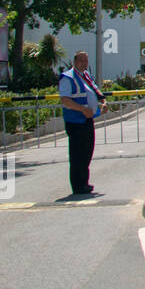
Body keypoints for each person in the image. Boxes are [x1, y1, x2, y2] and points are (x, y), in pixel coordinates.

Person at [57, 51, 101, 195]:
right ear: (74, 61)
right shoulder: (68, 77)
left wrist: (103, 102)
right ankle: (78, 185)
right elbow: (65, 100)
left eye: (86, 60)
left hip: (87, 119)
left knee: (87, 152)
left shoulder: (86, 76)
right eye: (81, 60)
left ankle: (84, 182)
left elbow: (95, 91)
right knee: (77, 154)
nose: (84, 63)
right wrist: (82, 109)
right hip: (75, 121)